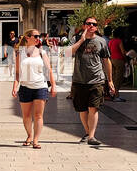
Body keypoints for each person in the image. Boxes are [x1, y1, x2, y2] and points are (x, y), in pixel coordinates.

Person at [65, 18, 114, 147]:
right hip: (79, 79)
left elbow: (106, 61)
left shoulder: (101, 41)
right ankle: (87, 133)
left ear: (97, 27)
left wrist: (110, 80)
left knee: (93, 108)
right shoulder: (76, 39)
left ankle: (91, 136)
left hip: (97, 79)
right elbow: (67, 53)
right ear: (84, 26)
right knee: (82, 109)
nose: (91, 26)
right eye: (88, 24)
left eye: (94, 24)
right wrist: (82, 40)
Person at [13, 30, 56, 149]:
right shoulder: (20, 53)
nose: (38, 38)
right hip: (25, 87)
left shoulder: (42, 52)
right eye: (35, 36)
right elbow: (17, 73)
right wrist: (15, 86)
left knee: (38, 116)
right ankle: (29, 135)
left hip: (40, 87)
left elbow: (49, 70)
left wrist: (53, 85)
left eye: (39, 36)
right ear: (27, 37)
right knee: (26, 116)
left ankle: (36, 140)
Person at [107, 29, 127, 99]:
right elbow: (123, 52)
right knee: (119, 78)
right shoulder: (119, 41)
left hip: (112, 60)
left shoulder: (111, 41)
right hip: (119, 60)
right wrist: (125, 59)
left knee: (114, 77)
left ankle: (112, 94)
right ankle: (116, 95)